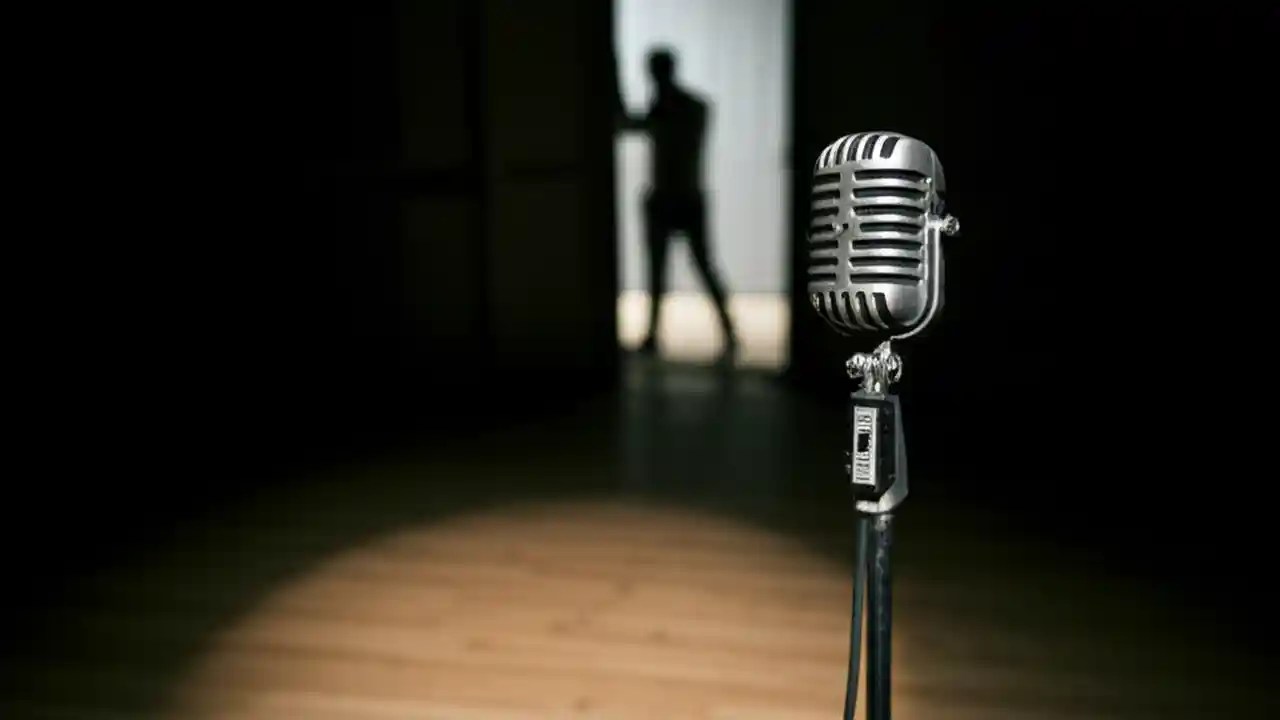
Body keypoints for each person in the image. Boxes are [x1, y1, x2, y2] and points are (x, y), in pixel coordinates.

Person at [618, 47, 737, 358]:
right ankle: (728, 333)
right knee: (698, 266)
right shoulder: (688, 107)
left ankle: (656, 336)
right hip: (684, 195)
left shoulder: (674, 109)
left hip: (673, 196)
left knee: (665, 269)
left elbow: (632, 126)